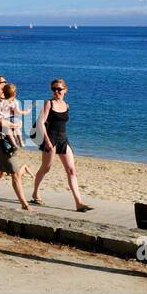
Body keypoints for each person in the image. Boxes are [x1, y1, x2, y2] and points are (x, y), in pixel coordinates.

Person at [32, 78, 94, 211]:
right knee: (46, 168)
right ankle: (35, 193)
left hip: (63, 139)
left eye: (59, 89)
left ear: (65, 90)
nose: (56, 91)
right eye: (53, 89)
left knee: (71, 170)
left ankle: (79, 203)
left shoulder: (66, 105)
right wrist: (47, 141)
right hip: (50, 139)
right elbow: (40, 123)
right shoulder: (48, 103)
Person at [0, 80, 31, 210]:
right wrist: (15, 125)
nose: (5, 83)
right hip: (2, 140)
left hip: (8, 139)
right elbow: (0, 123)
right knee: (15, 173)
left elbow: (14, 113)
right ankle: (24, 204)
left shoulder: (5, 101)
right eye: (3, 81)